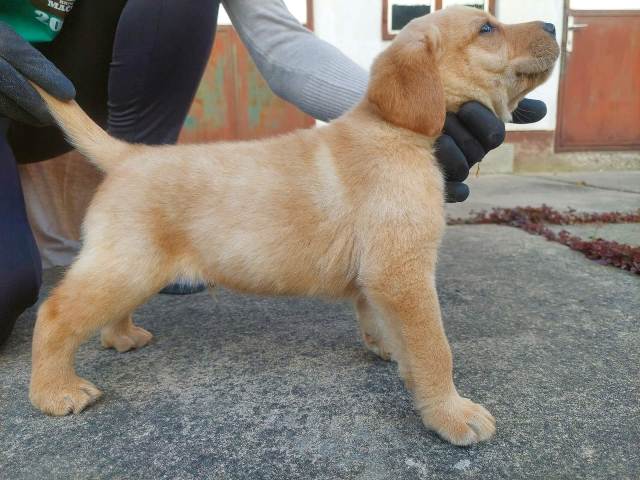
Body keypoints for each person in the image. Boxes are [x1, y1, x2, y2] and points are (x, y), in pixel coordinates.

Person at [0, 0, 547, 346]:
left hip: (96, 98)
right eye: (487, 29)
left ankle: (152, 204)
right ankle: (154, 222)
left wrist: (405, 107)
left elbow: (281, 41)